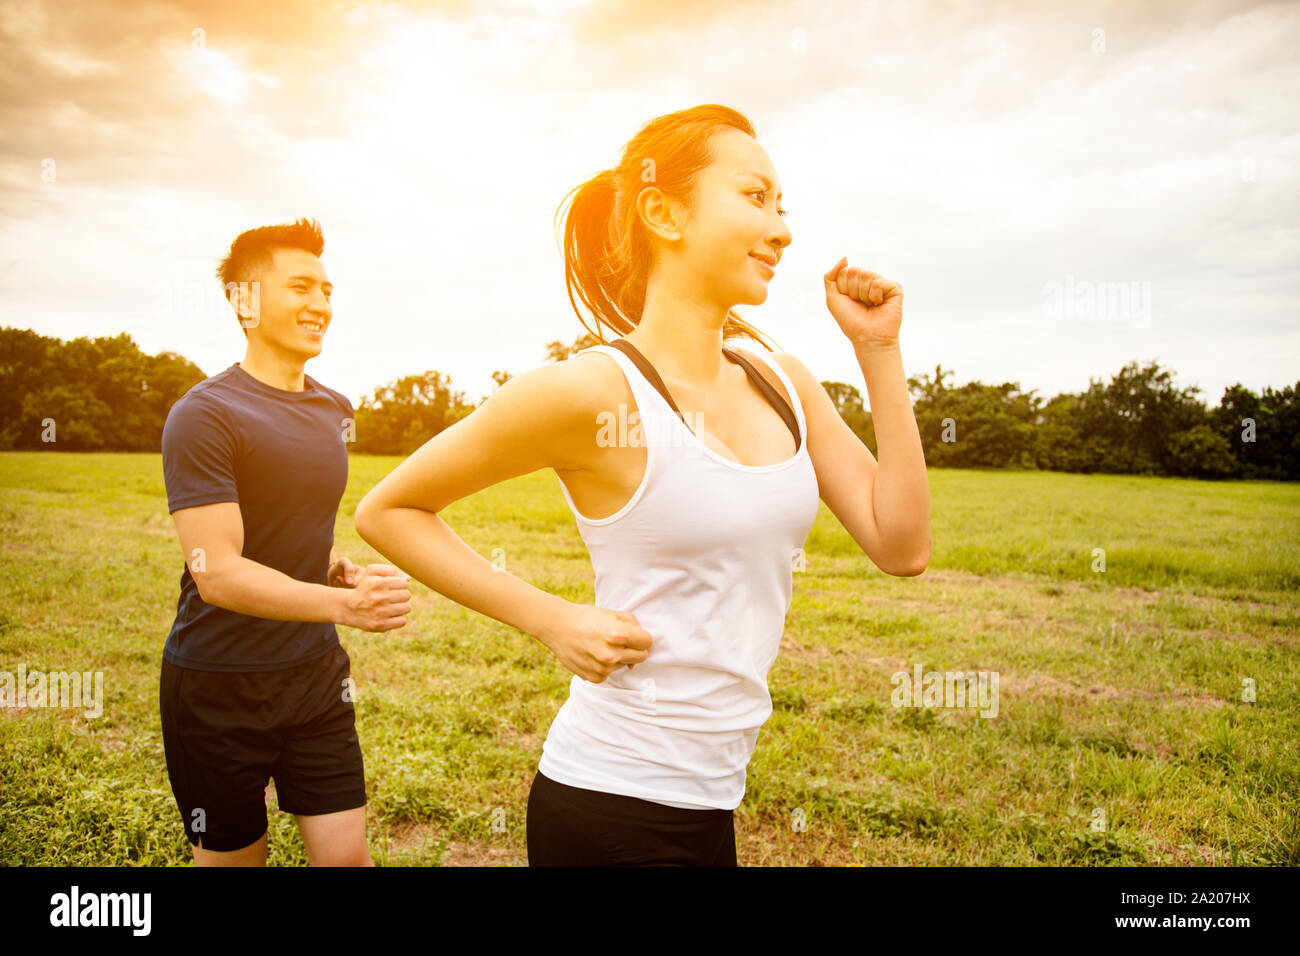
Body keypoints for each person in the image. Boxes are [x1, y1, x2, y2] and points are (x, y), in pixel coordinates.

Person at [353, 104, 931, 866]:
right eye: (755, 198)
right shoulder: (590, 393)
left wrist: (880, 351)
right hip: (609, 803)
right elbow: (389, 509)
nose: (784, 229)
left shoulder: (784, 383)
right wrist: (550, 618)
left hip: (713, 803)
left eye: (783, 206)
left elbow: (901, 544)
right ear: (663, 212)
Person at [159, 217, 412, 866]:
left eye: (328, 291)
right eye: (302, 287)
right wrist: (346, 610)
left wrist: (337, 572)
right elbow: (215, 571)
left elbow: (296, 535)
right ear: (245, 301)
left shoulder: (334, 410)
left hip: (316, 679)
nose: (321, 305)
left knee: (348, 861)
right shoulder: (204, 414)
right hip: (218, 686)